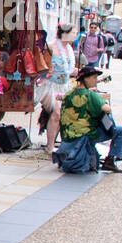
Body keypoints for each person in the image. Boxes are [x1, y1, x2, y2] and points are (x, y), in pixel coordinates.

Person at [59, 64, 122, 173]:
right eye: (94, 78)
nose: (96, 80)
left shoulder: (69, 93)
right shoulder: (90, 95)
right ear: (86, 79)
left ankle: (92, 154)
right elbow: (107, 109)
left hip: (67, 134)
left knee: (90, 123)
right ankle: (110, 161)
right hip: (85, 134)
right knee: (120, 130)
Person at [39, 23, 77, 151]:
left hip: (64, 86)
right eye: (73, 33)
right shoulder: (50, 46)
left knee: (62, 114)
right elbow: (41, 63)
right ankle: (50, 146)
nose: (75, 35)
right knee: (56, 112)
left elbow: (69, 70)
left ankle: (54, 143)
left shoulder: (70, 49)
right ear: (65, 33)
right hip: (49, 85)